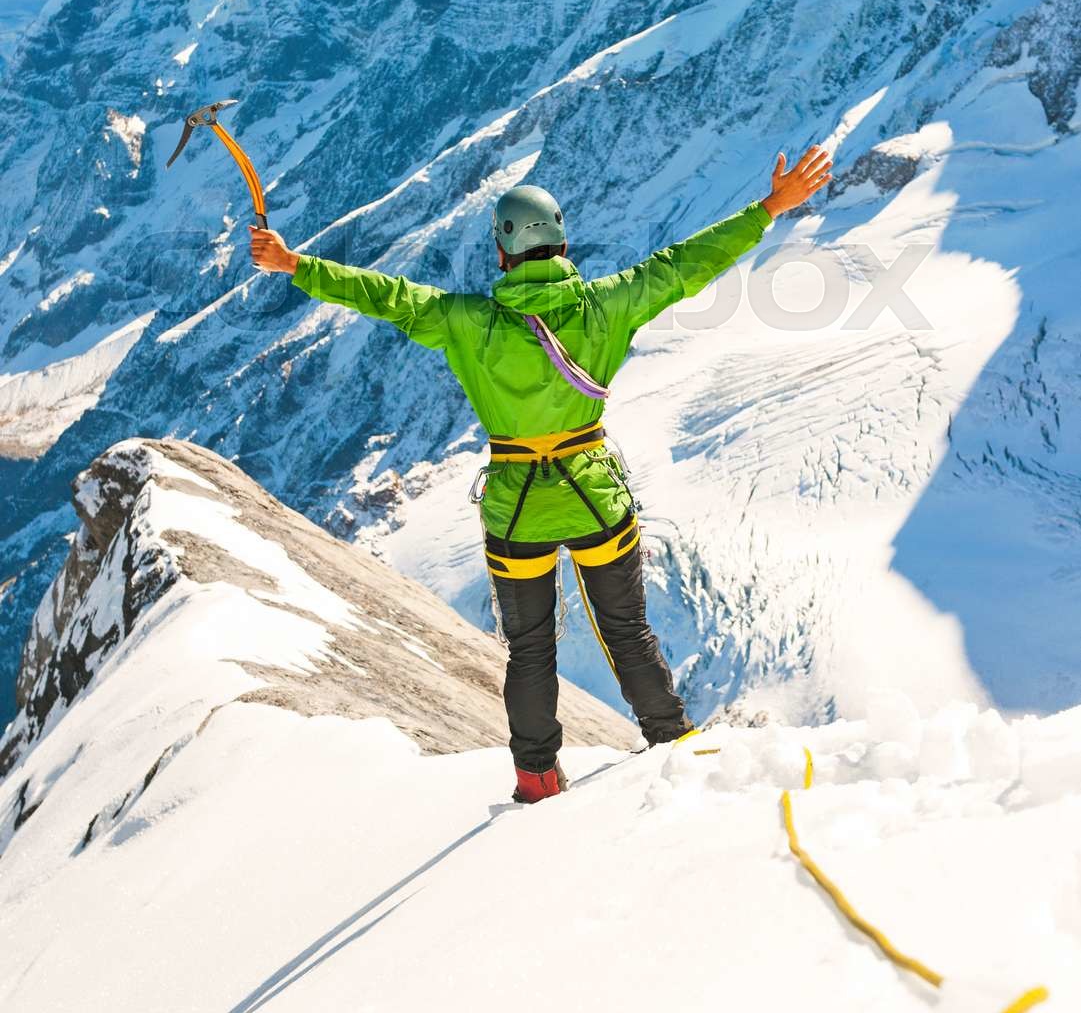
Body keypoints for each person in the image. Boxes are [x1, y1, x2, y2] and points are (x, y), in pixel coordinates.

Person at [250, 146, 831, 802]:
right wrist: (768, 210)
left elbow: (385, 296)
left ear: (500, 253)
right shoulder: (606, 305)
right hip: (592, 495)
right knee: (626, 629)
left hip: (514, 510)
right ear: (561, 243)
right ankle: (671, 741)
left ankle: (535, 776)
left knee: (529, 651)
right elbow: (684, 266)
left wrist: (295, 264)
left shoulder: (465, 324)